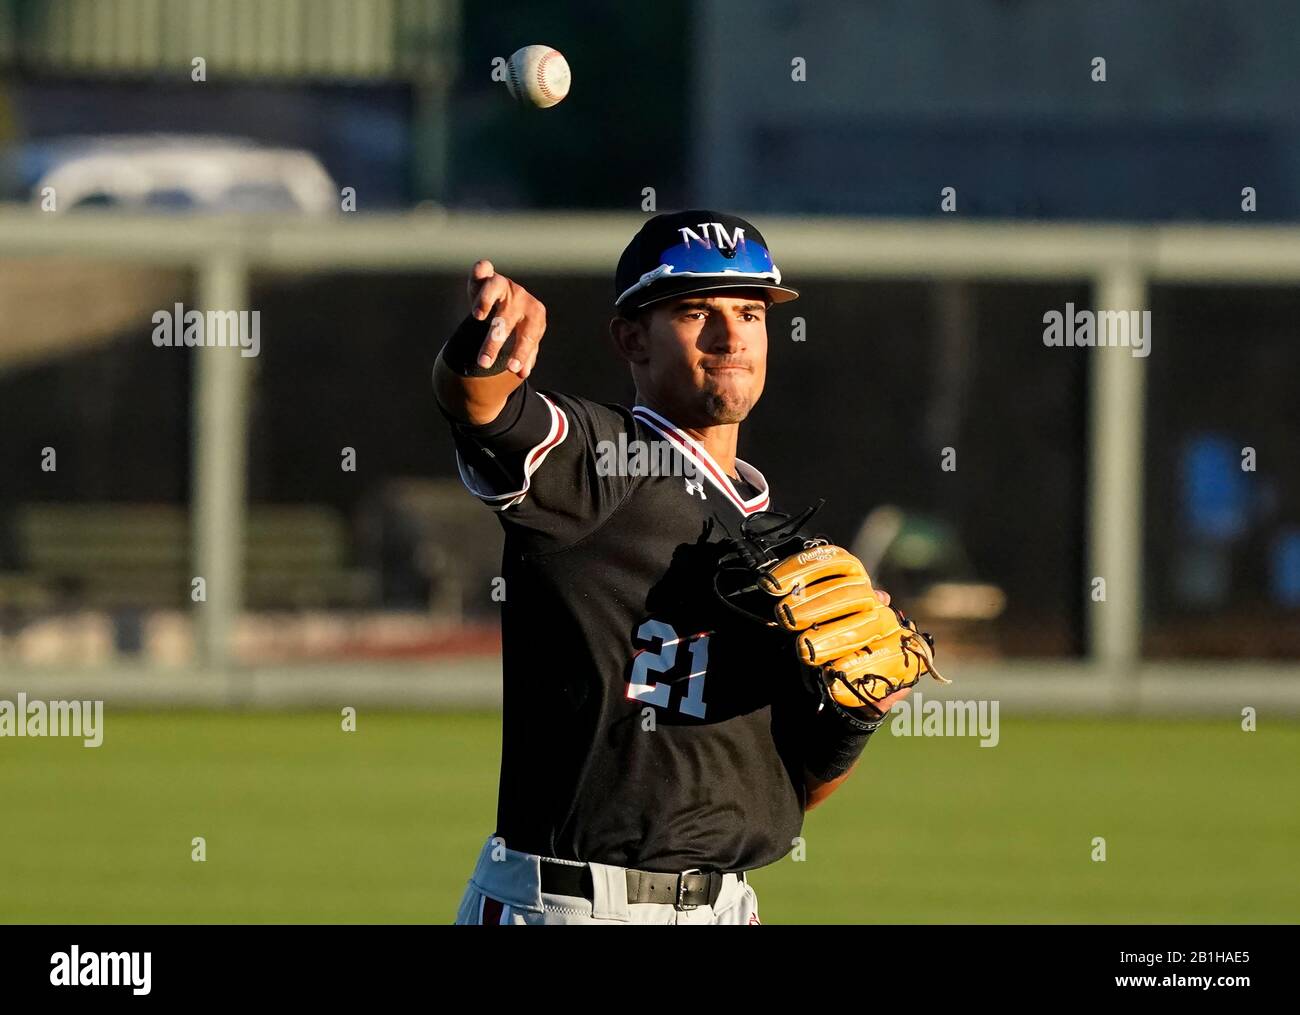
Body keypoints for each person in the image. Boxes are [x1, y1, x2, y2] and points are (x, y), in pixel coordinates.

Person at [435, 210, 915, 925]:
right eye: (696, 311)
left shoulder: (782, 545)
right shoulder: (601, 464)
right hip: (579, 905)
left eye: (750, 312)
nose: (732, 336)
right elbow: (482, 408)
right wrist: (487, 342)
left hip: (727, 905)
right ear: (631, 337)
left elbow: (786, 783)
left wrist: (856, 713)